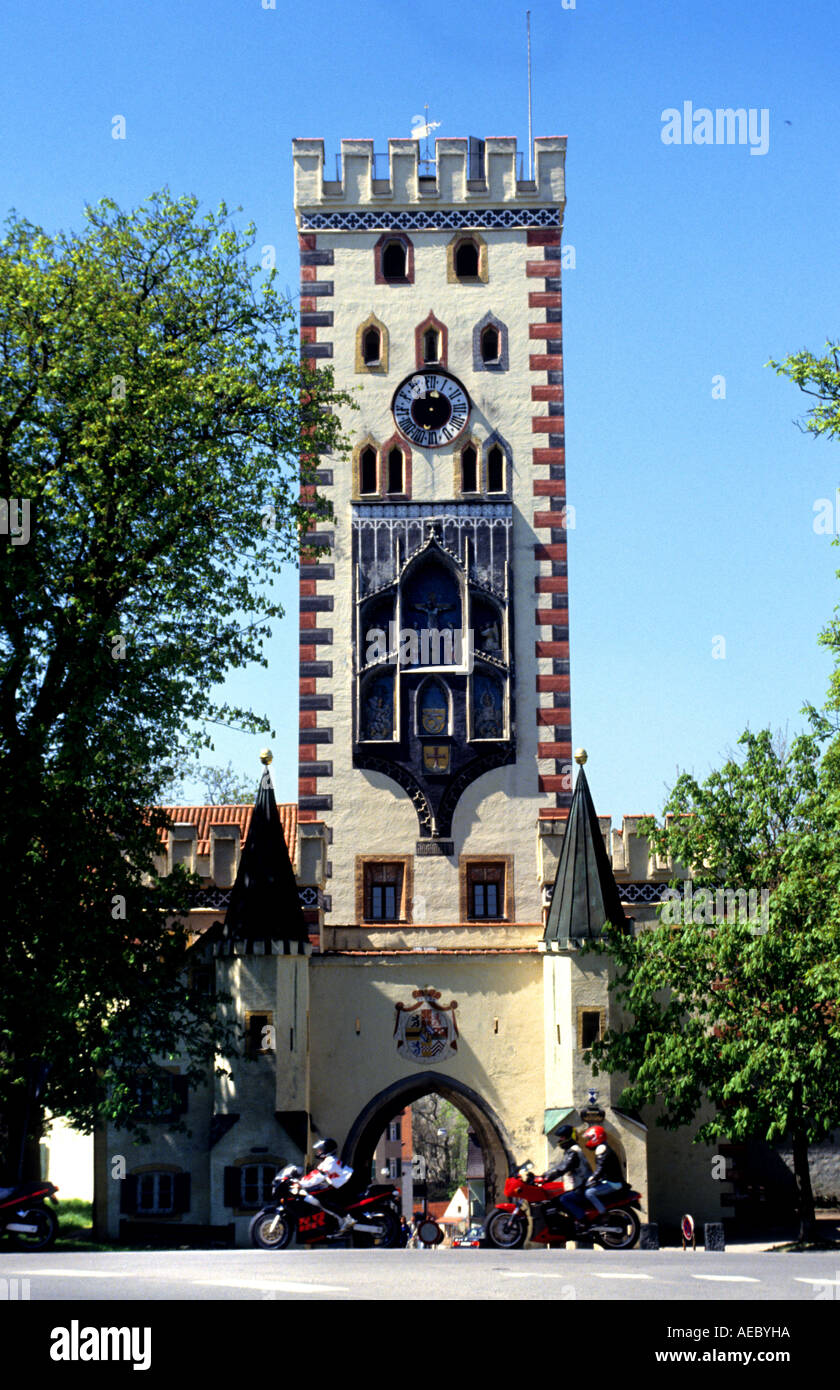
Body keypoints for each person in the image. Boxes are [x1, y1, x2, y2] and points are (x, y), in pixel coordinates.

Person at [557, 1125, 625, 1226]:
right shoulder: (603, 1147)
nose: (588, 1141)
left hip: (613, 1182)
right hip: (609, 1181)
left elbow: (601, 1168)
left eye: (589, 1138)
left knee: (589, 1193)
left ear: (596, 1137)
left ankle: (603, 1214)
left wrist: (593, 1178)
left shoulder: (602, 1148)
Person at [297, 1137, 355, 1234]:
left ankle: (347, 1218)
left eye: (320, 1149)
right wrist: (301, 1181)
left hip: (347, 1184)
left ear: (326, 1150)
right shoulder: (329, 1160)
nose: (318, 1151)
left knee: (322, 1200)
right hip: (347, 1183)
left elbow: (317, 1177)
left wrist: (300, 1183)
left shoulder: (329, 1162)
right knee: (324, 1194)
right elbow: (314, 1175)